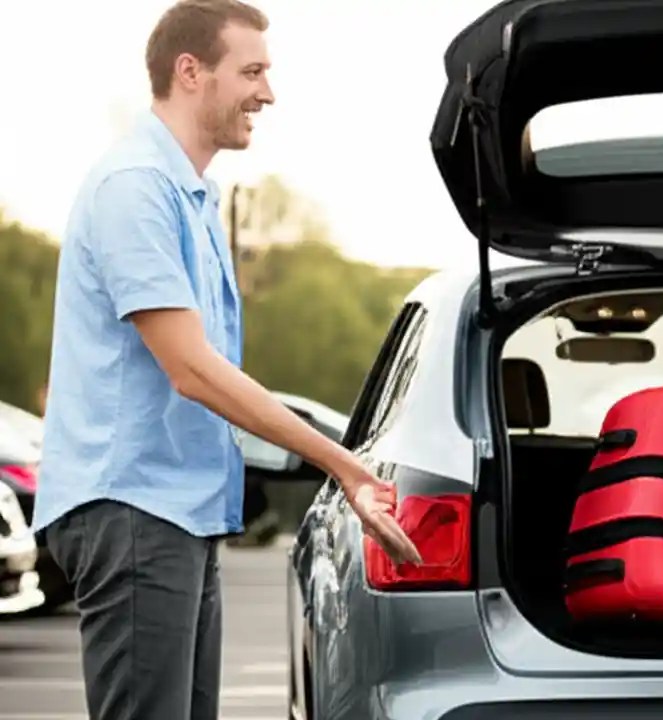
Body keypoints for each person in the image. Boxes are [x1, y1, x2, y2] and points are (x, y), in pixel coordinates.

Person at [31, 2, 421, 719]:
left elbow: (212, 380)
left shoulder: (191, 197)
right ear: (190, 72)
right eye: (252, 71)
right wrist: (343, 462)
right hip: (133, 508)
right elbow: (194, 370)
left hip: (178, 511)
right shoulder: (135, 188)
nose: (267, 93)